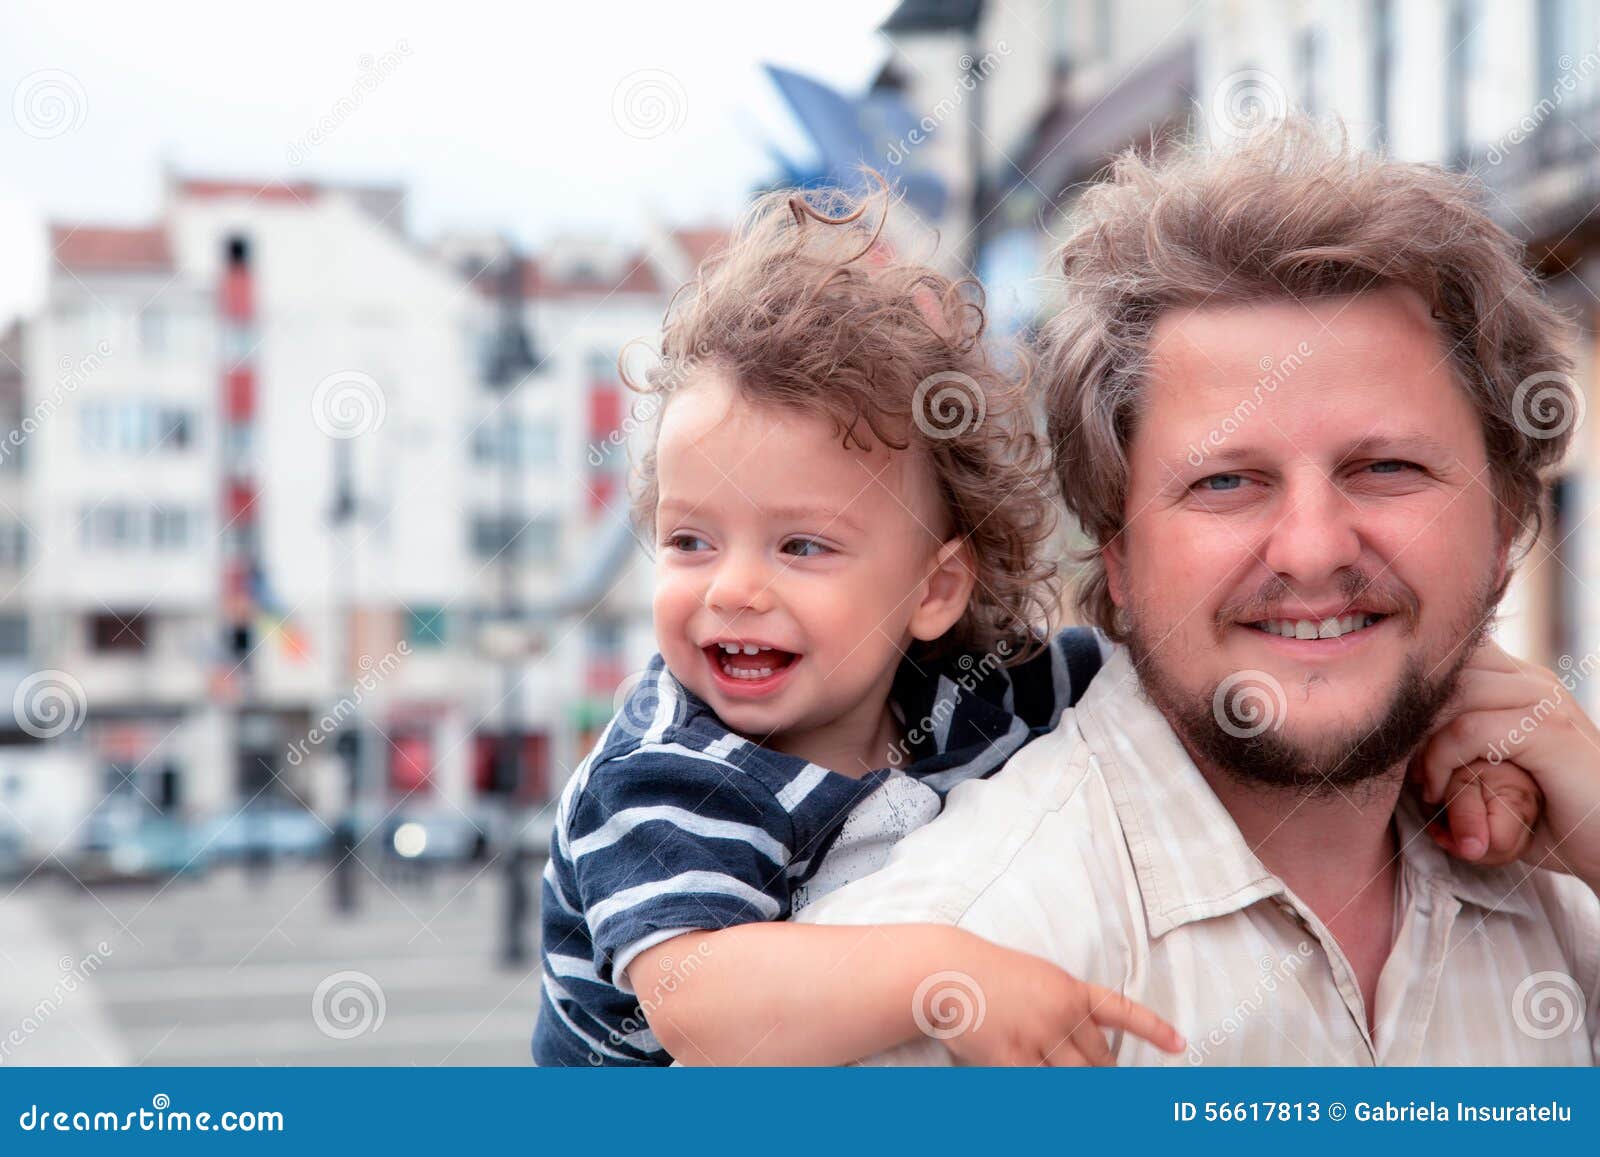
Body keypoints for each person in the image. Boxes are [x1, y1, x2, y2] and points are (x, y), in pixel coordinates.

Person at [798, 119, 1596, 1065]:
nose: (1311, 550)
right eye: (1225, 482)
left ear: (1504, 527)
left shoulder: (1571, 894)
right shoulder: (950, 981)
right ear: (1119, 557)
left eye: (1386, 467)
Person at [532, 183, 1183, 1066]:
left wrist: (1434, 719)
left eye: (800, 545)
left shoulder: (976, 689)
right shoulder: (669, 773)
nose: (734, 587)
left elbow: (1177, 680)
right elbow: (699, 1001)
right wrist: (948, 977)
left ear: (936, 588)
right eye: (691, 539)